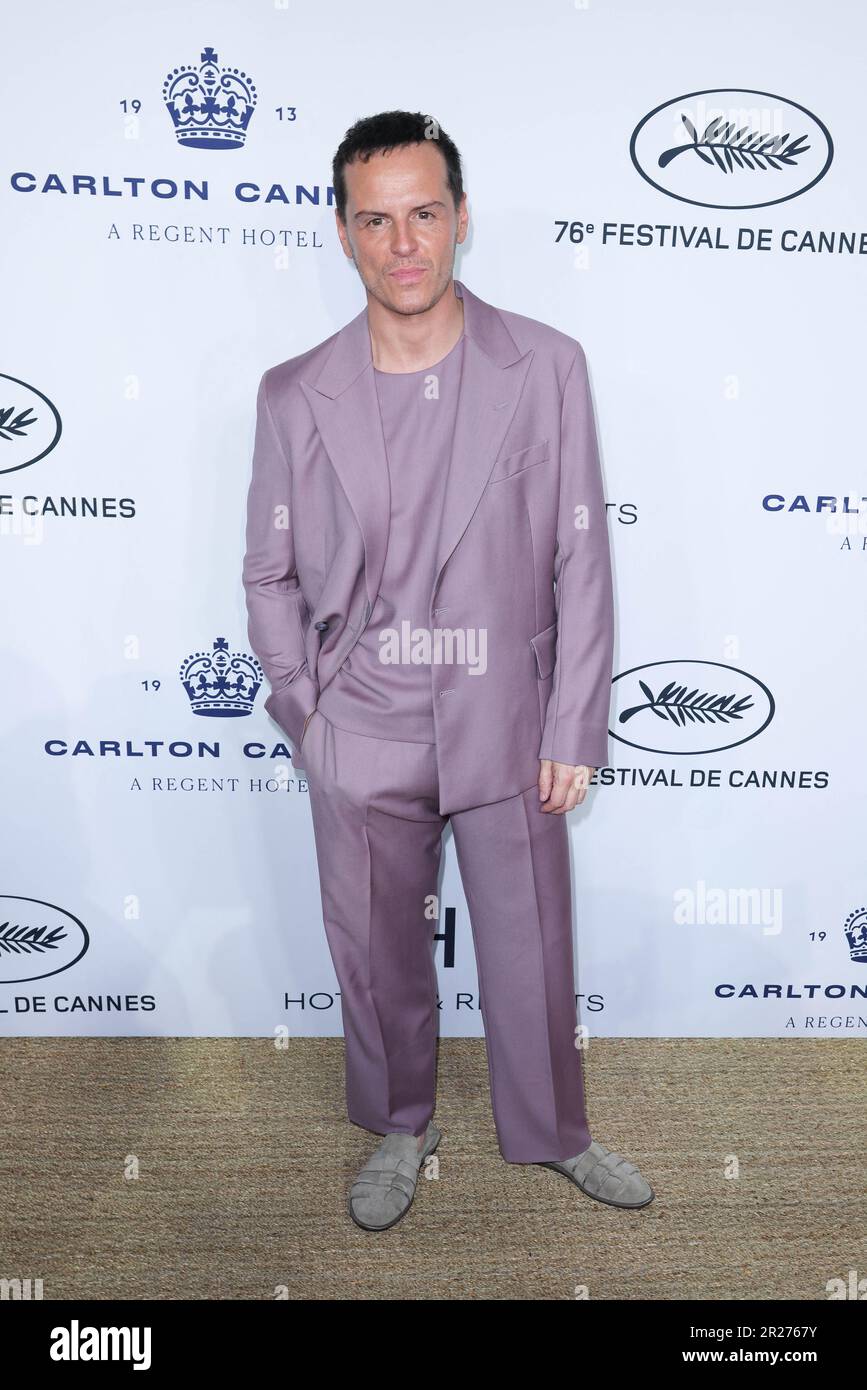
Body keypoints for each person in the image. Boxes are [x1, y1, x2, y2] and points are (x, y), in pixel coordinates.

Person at [242, 110, 654, 1231]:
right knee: (374, 957)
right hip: (359, 724)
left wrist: (576, 720)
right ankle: (397, 1126)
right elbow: (267, 571)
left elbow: (583, 552)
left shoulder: (547, 366)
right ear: (343, 235)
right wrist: (306, 715)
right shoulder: (293, 392)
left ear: (462, 220)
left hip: (509, 718)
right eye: (376, 221)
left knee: (532, 947)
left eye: (425, 213)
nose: (404, 243)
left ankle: (555, 1129)